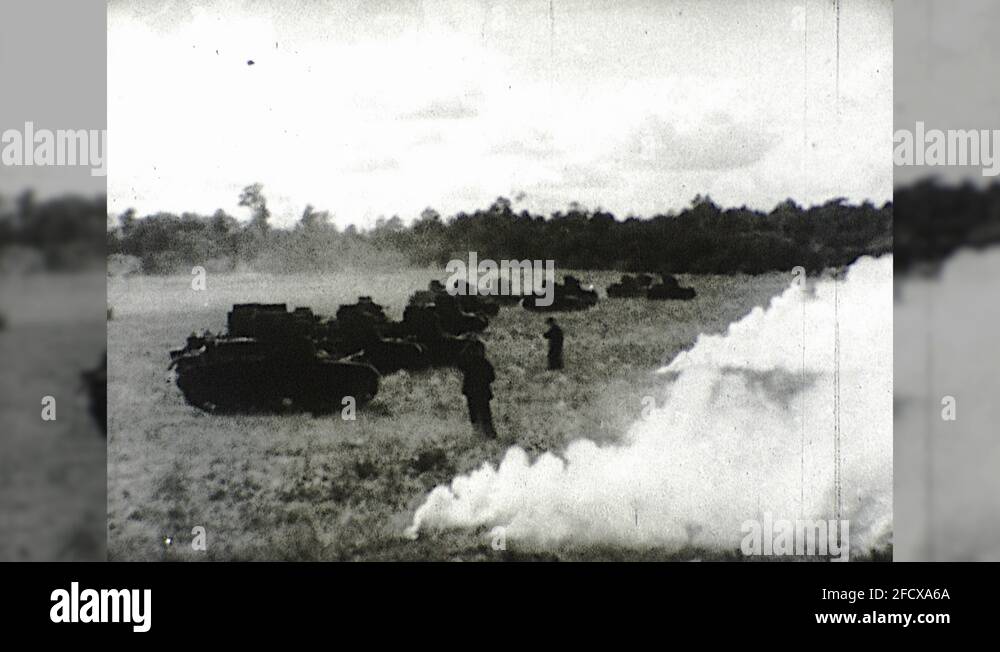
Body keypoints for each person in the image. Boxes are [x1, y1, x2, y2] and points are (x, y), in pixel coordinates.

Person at [457, 338, 496, 438]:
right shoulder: (484, 363)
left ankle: (478, 433)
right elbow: (492, 377)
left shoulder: (469, 363)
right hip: (483, 393)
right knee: (485, 414)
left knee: (474, 414)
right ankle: (489, 433)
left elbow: (460, 364)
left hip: (471, 393)